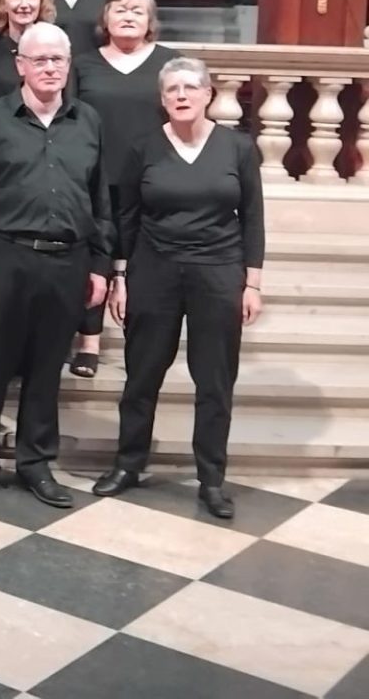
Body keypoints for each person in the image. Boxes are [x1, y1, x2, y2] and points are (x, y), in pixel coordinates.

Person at [95, 58, 265, 519]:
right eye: (173, 89)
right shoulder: (144, 146)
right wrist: (122, 277)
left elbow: (252, 215)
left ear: (209, 94)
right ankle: (128, 464)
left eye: (192, 87)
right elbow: (126, 214)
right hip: (155, 270)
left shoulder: (238, 147)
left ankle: (211, 479)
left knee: (214, 381)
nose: (182, 95)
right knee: (142, 375)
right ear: (163, 98)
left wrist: (252, 281)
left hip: (218, 272)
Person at [0, 22, 113, 509]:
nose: (49, 68)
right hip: (5, 257)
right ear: (20, 65)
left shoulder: (88, 120)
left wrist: (101, 265)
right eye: (39, 59)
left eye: (58, 60)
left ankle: (35, 462)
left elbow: (100, 197)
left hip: (68, 260)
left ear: (69, 66)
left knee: (48, 369)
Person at [69, 0, 179, 378]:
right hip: (94, 177)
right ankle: (88, 340)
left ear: (150, 21)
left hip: (153, 177)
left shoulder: (171, 64)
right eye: (119, 9)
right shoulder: (83, 64)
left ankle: (142, 341)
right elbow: (72, 119)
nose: (128, 16)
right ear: (106, 18)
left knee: (145, 260)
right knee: (95, 256)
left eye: (137, 10)